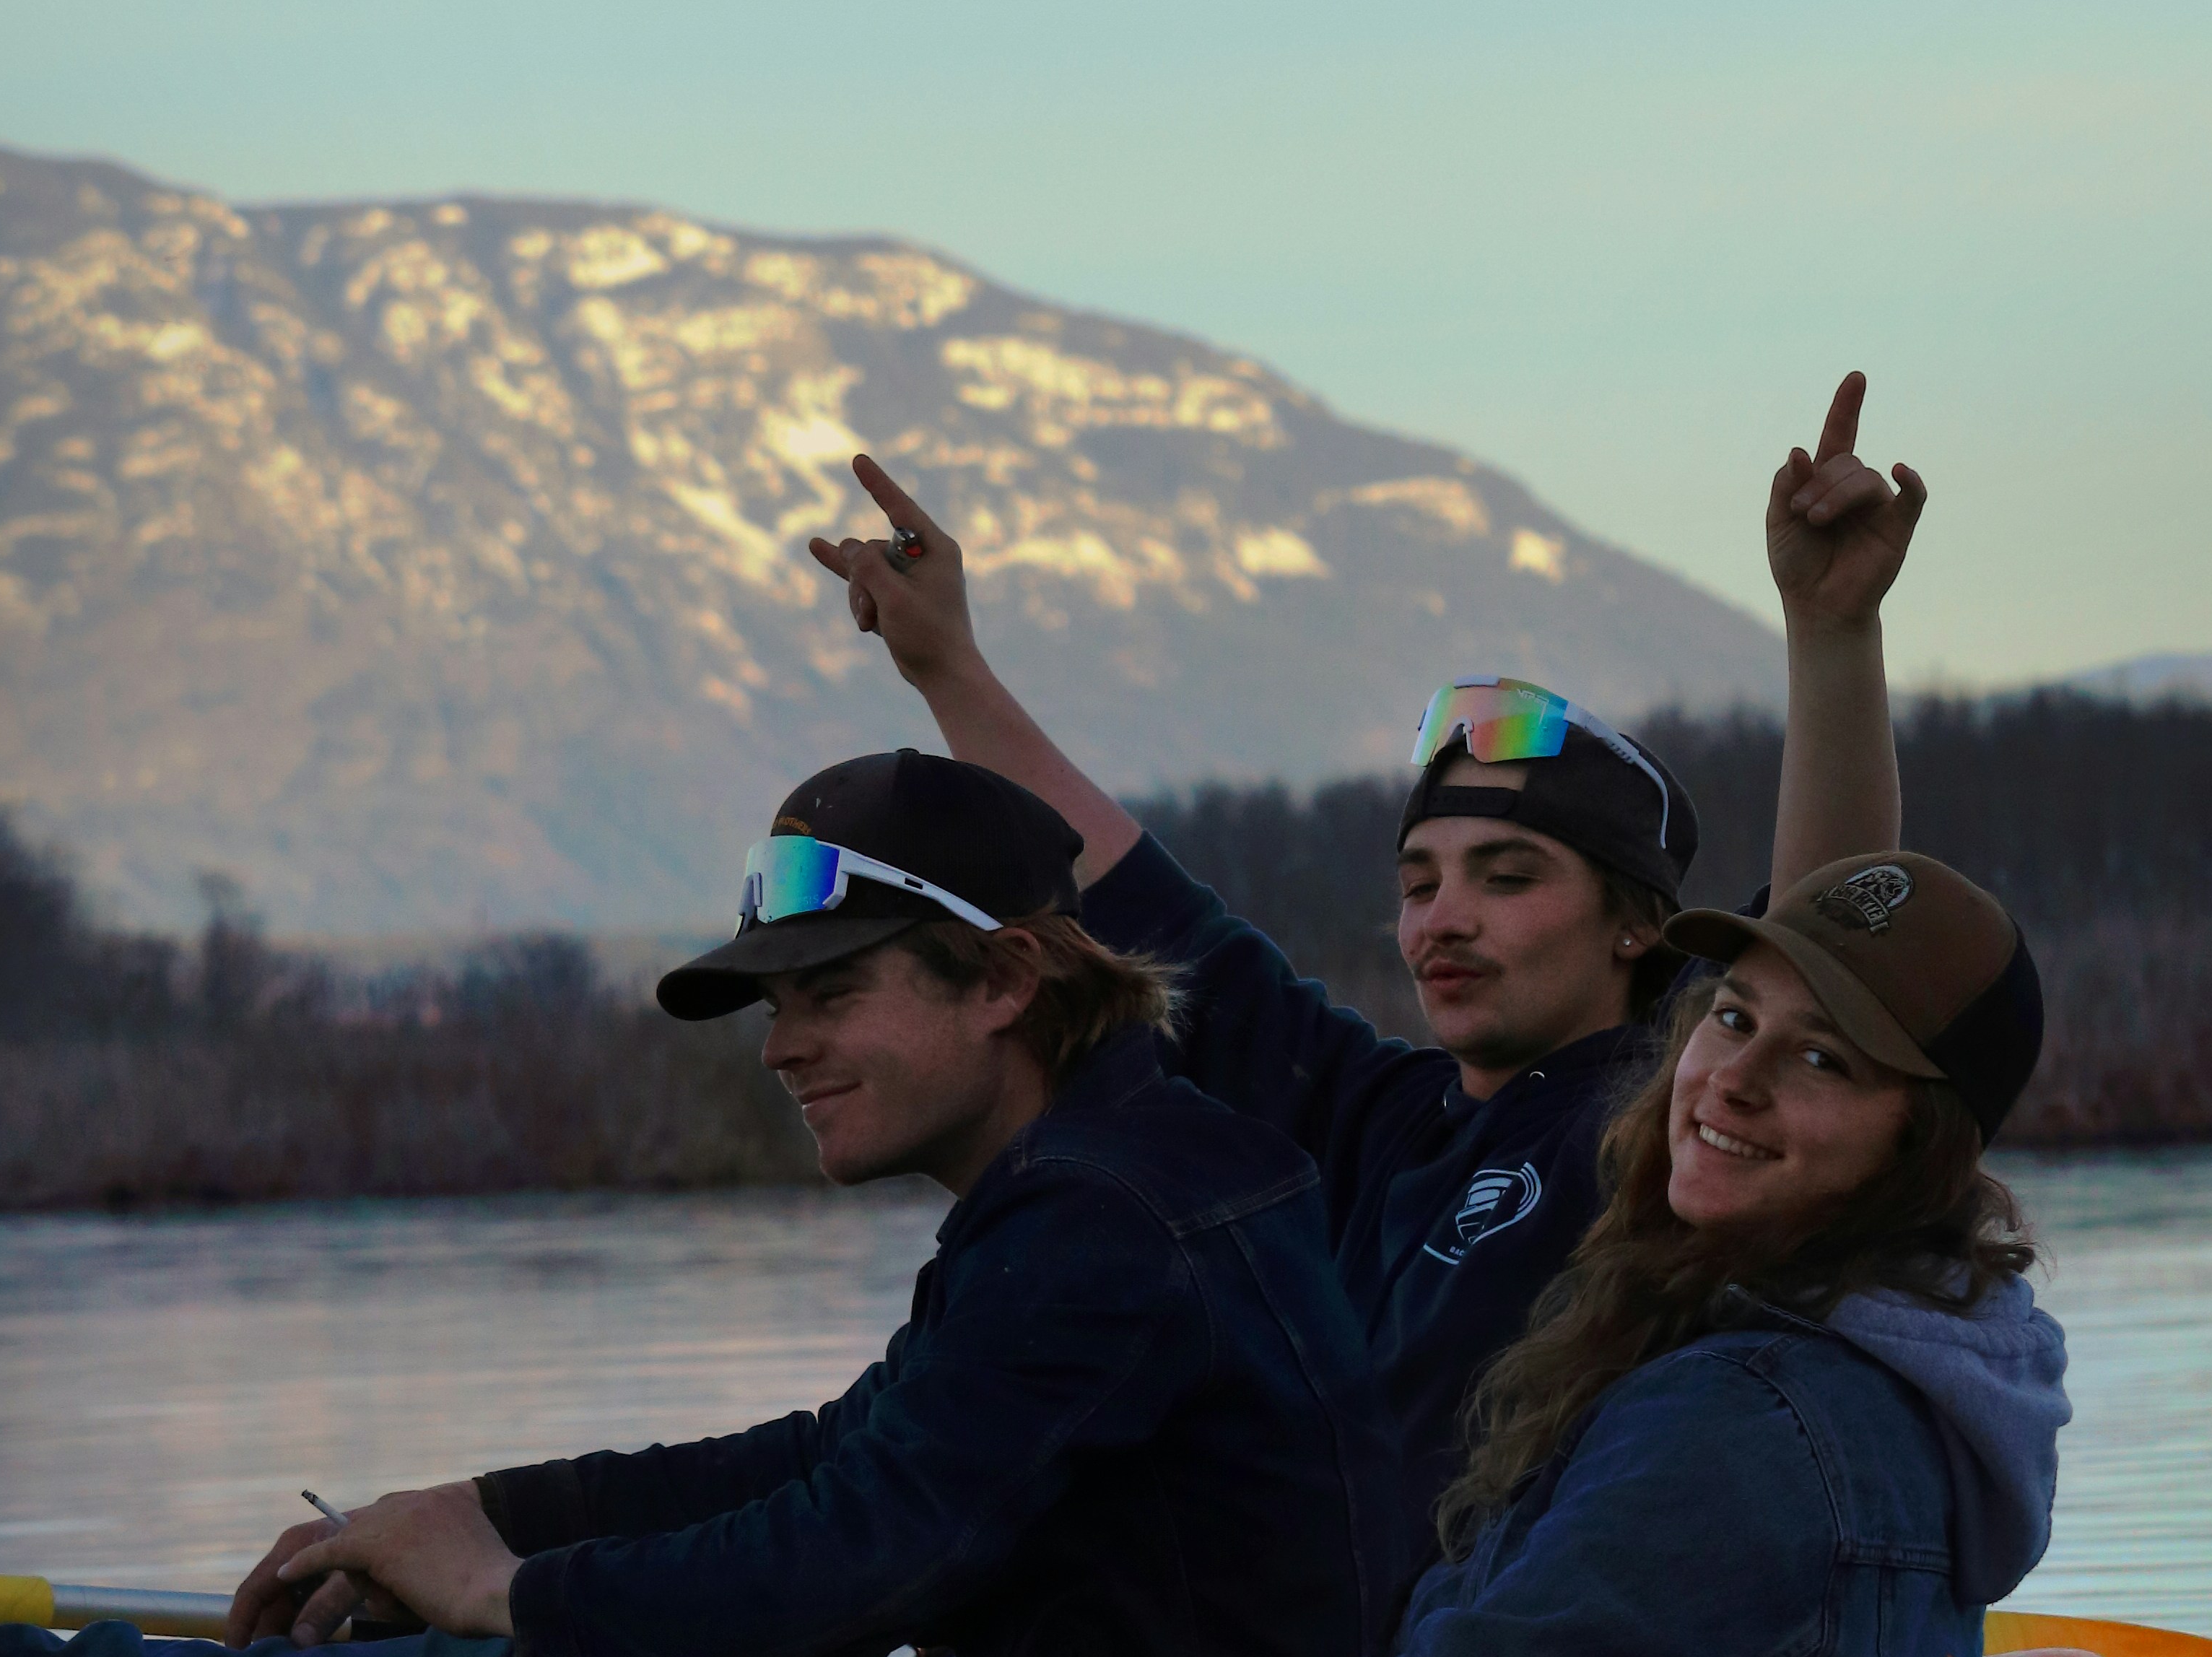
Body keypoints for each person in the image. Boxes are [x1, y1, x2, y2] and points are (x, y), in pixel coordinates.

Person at [0, 756, 1399, 1657]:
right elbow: (839, 1459)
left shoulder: (1111, 1221)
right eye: (771, 1006)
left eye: (828, 994)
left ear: (1007, 979)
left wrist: (512, 1592)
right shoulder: (1119, 1172)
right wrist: (486, 1520)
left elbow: (849, 1557)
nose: (780, 1046)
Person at [739, 849, 2066, 1657]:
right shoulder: (1789, 1344)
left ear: (1922, 1144)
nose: (1732, 1082)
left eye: (1822, 1059)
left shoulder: (1756, 1427)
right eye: (1731, 1019)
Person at [811, 373, 1925, 1529]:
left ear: (1637, 922)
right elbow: (1143, 905)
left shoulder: (1671, 1113)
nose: (1444, 917)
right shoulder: (1375, 1124)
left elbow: (1818, 931)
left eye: (1507, 877)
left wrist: (1833, 631)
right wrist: (949, 669)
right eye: (1417, 881)